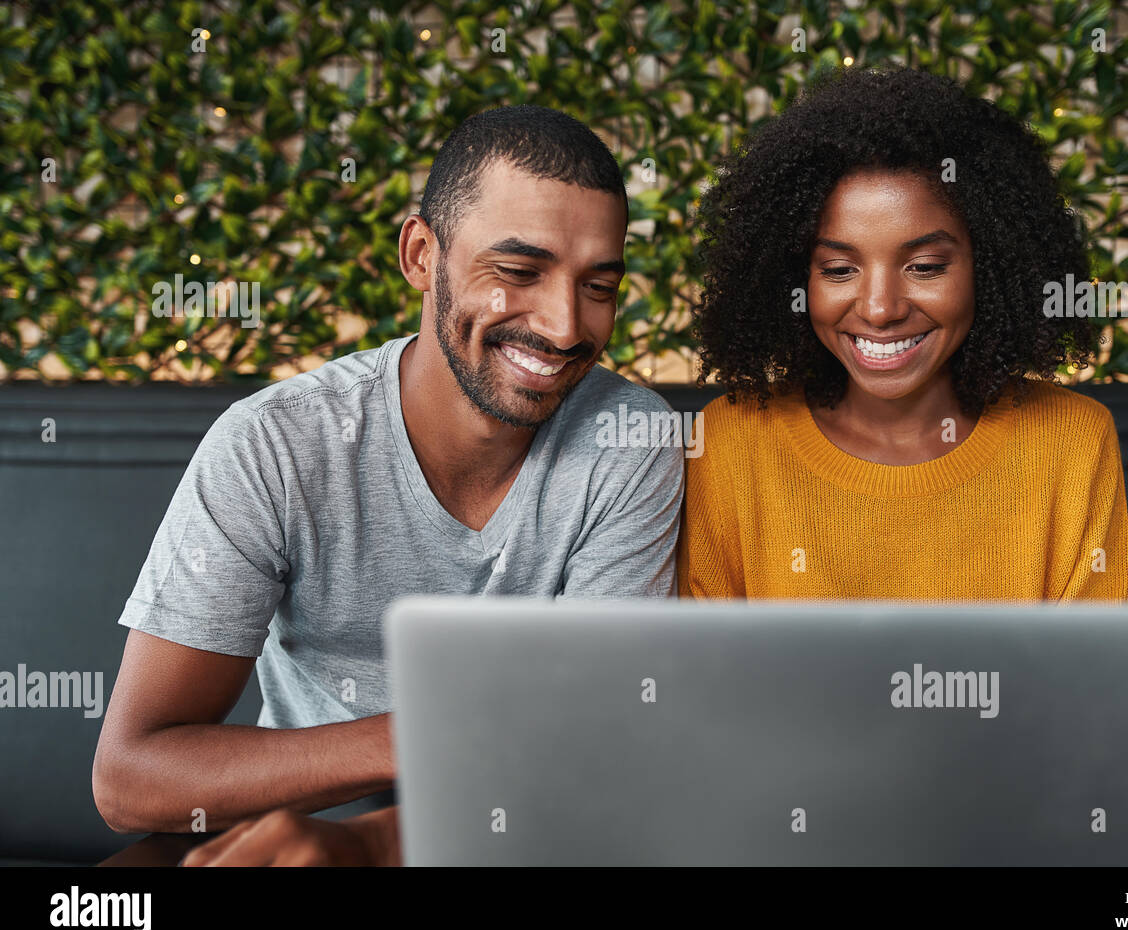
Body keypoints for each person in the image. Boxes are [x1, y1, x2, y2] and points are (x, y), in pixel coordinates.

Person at [93, 105, 685, 864]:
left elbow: (597, 761)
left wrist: (371, 846)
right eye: (518, 272)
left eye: (597, 285)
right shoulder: (274, 444)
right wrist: (425, 736)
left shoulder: (629, 443)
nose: (566, 325)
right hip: (293, 838)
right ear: (420, 255)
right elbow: (131, 780)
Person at [678, 67, 1128, 601]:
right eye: (839, 270)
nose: (880, 309)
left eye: (926, 267)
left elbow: (1088, 680)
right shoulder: (732, 443)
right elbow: (710, 677)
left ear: (993, 266)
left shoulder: (1071, 441)